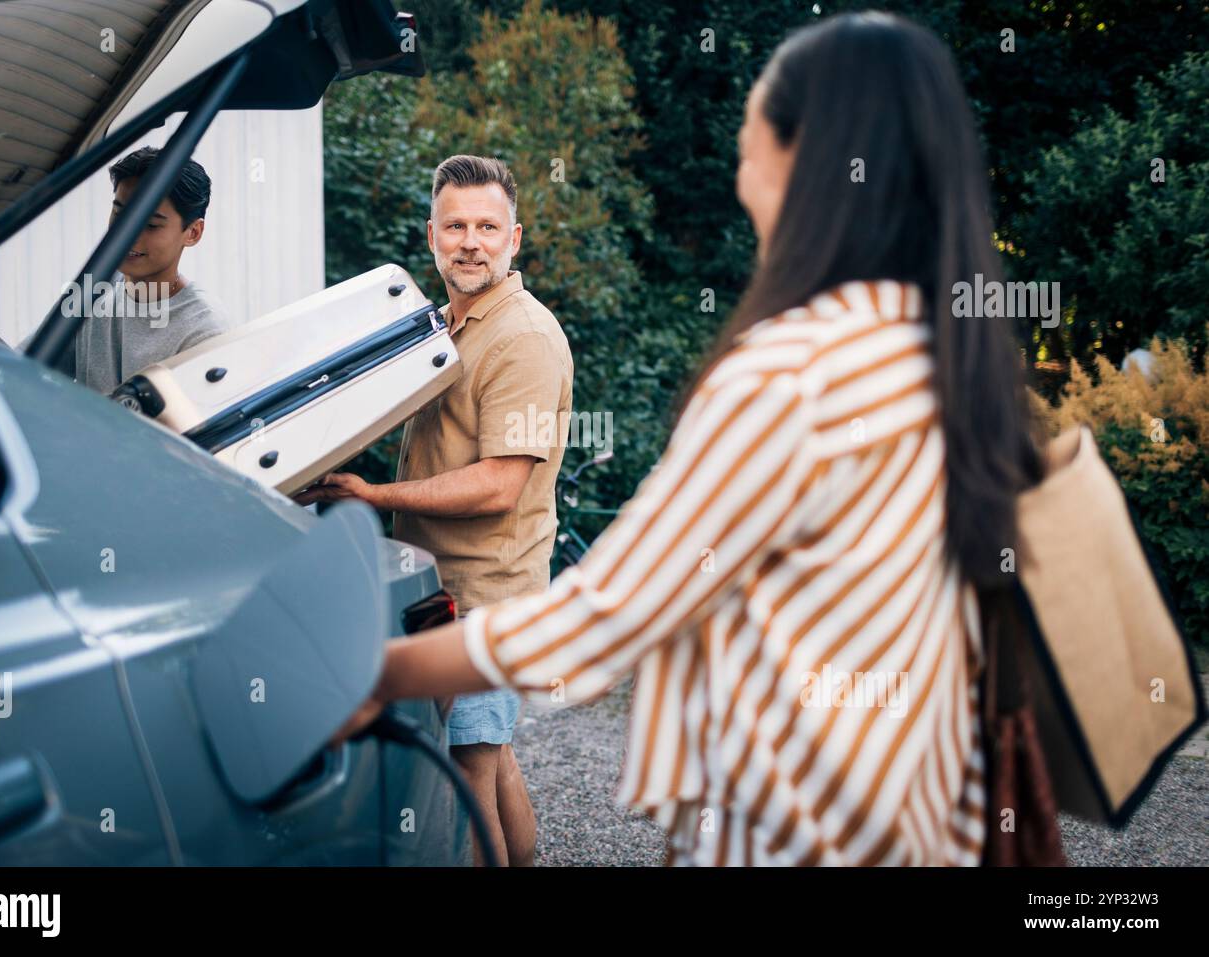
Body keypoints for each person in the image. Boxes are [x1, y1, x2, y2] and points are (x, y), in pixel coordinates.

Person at [329, 12, 1044, 866]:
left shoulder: (785, 374)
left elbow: (610, 609)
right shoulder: (940, 358)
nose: (739, 171)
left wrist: (381, 675)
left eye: (749, 140)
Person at [297, 156, 573, 867]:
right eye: (456, 225)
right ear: (431, 236)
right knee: (492, 753)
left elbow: (497, 485)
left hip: (488, 595)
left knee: (465, 772)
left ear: (516, 239)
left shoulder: (523, 337)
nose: (471, 240)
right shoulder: (450, 324)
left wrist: (374, 495)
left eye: (488, 226)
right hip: (444, 590)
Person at [71, 146, 228, 392]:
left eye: (150, 224)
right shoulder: (96, 288)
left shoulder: (203, 329)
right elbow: (25, 365)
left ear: (193, 232)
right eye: (119, 214)